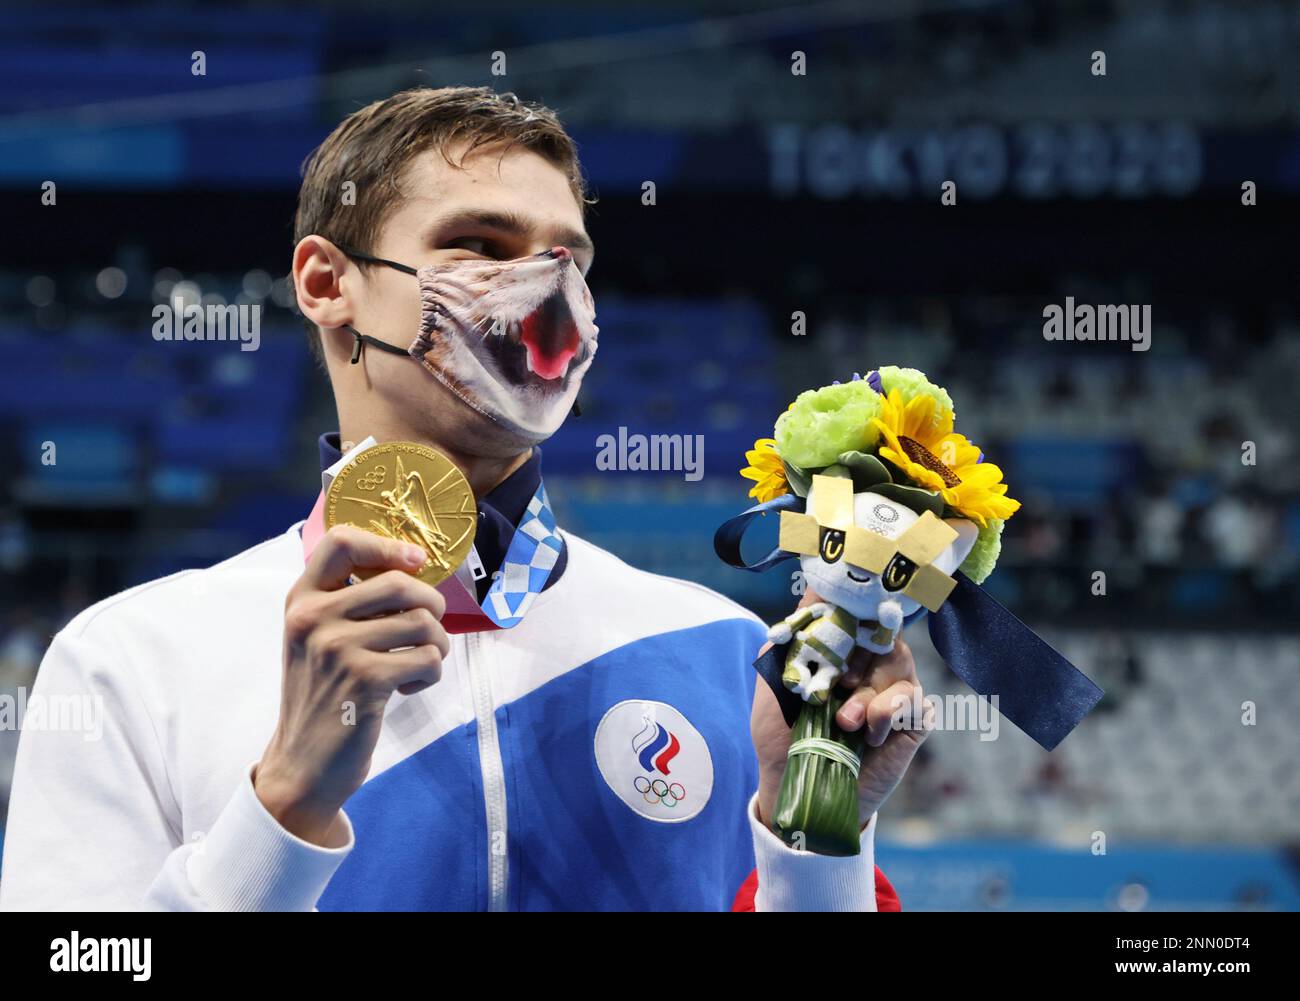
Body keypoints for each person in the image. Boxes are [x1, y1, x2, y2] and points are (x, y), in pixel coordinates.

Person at [0, 86, 926, 911]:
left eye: (569, 260)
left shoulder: (730, 653)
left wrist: (816, 843)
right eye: (479, 246)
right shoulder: (131, 660)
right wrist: (281, 807)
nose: (544, 291)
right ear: (327, 283)